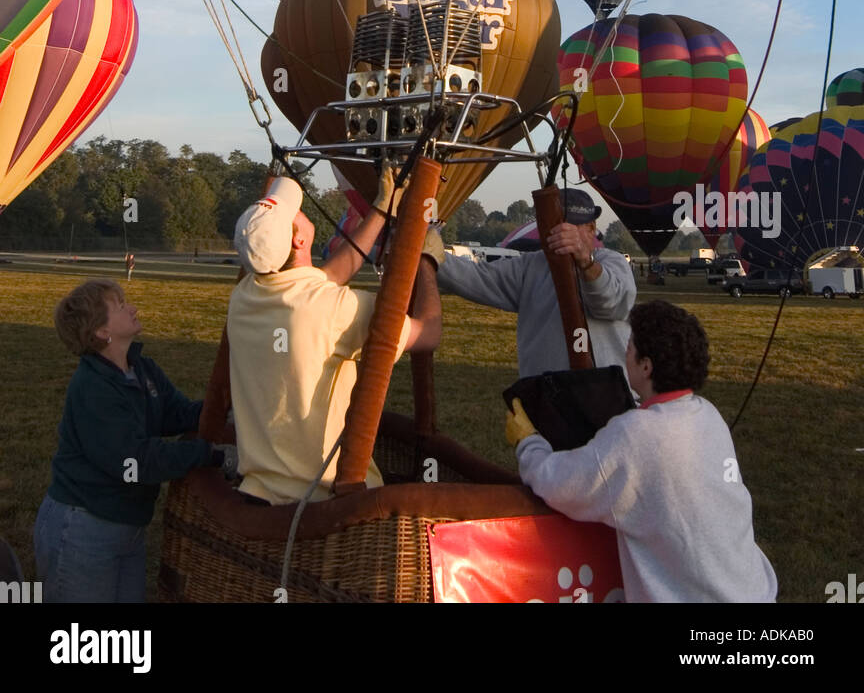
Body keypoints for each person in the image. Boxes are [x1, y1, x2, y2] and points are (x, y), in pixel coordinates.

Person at [506, 299, 777, 604]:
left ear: (646, 366)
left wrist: (528, 441)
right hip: (753, 591)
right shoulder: (708, 415)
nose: (626, 353)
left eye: (630, 347)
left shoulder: (635, 435)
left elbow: (558, 484)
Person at [227, 165, 442, 505]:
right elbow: (428, 333)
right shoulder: (334, 309)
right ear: (299, 239)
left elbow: (324, 278)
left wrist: (381, 210)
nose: (300, 210)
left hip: (259, 494)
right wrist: (426, 260)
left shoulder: (244, 297)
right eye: (295, 212)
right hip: (324, 501)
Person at [34, 279, 232, 603]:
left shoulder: (141, 369)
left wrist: (229, 409)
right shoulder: (93, 388)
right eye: (120, 305)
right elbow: (135, 462)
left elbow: (178, 413)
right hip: (84, 529)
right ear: (100, 331)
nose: (133, 308)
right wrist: (212, 454)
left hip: (128, 528)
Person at [436, 188, 635, 374]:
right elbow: (476, 277)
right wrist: (430, 252)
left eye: (571, 226)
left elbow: (611, 303)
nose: (562, 232)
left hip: (605, 396)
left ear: (591, 228)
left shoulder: (612, 262)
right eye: (554, 225)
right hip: (545, 396)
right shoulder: (530, 266)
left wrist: (584, 261)